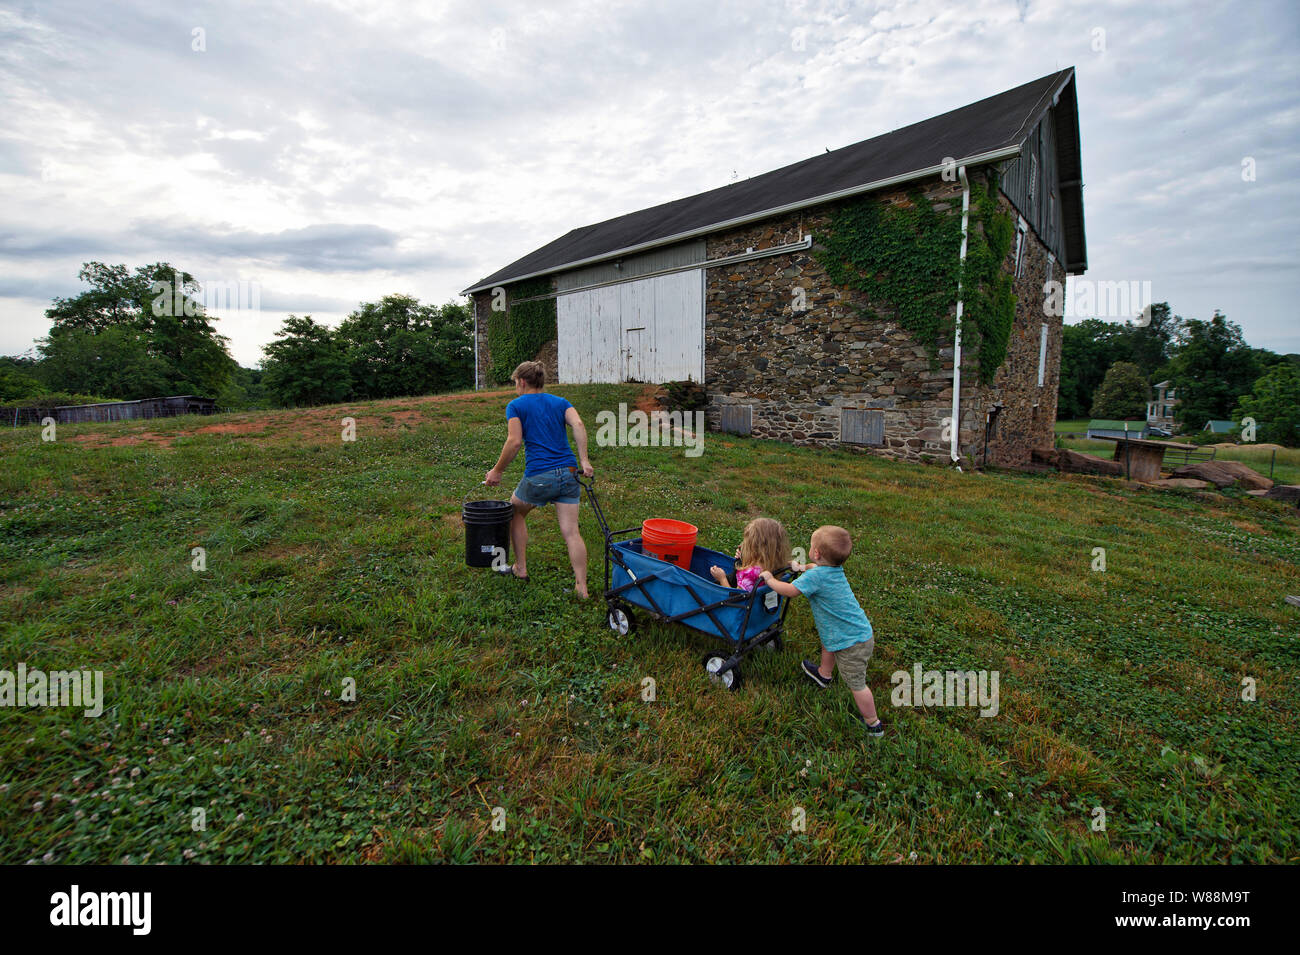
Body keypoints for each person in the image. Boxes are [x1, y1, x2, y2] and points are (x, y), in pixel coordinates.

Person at [759, 525, 885, 736]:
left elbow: (790, 591)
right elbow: (813, 568)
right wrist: (799, 567)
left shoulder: (816, 578)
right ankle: (824, 674)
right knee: (829, 642)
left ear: (816, 553)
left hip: (852, 642)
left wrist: (770, 580)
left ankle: (873, 723)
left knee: (857, 683)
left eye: (811, 546)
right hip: (852, 632)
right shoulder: (831, 570)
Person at [484, 361, 594, 597]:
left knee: (515, 510)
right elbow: (579, 423)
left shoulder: (516, 405)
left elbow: (514, 442)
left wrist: (497, 470)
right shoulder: (561, 402)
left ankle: (520, 568)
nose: (515, 387)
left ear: (522, 382)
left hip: (540, 475)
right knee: (572, 531)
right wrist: (584, 460)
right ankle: (581, 588)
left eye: (515, 383)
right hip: (570, 473)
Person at [708, 517, 790, 591]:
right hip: (762, 605)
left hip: (741, 606)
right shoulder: (777, 565)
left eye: (746, 541)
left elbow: (735, 598)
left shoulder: (749, 573)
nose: (742, 544)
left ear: (755, 547)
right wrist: (745, 558)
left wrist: (722, 578)